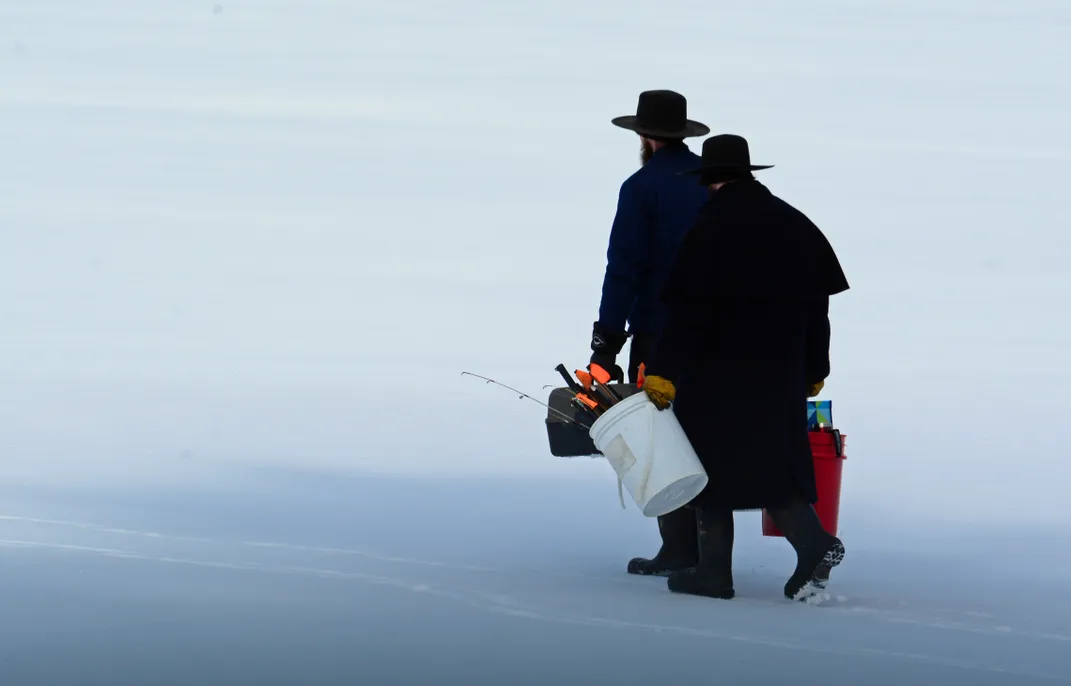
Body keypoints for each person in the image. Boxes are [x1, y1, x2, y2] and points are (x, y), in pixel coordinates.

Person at [641, 133, 851, 601]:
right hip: (780, 372)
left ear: (710, 180)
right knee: (771, 462)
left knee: (706, 466)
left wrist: (664, 370)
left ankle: (715, 572)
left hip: (718, 372)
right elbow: (818, 306)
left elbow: (688, 311)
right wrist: (815, 366)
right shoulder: (794, 224)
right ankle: (812, 543)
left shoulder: (710, 228)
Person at [589, 90, 711, 577]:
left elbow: (624, 267)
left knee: (661, 433)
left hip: (659, 331)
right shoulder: (715, 181)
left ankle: (680, 546)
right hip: (718, 330)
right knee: (707, 430)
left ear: (644, 136)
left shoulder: (641, 187)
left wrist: (606, 339)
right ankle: (711, 548)